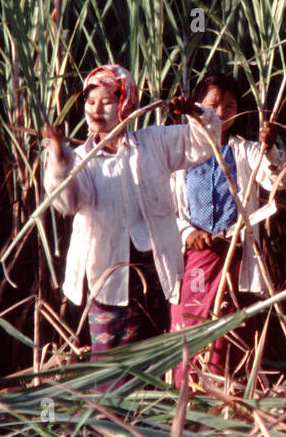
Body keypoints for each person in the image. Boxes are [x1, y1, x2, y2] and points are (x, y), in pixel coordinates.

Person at [40, 65, 221, 381]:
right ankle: (107, 426)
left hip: (151, 269)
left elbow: (203, 144)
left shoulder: (153, 143)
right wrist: (57, 155)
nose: (96, 109)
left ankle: (148, 427)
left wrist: (195, 112)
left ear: (126, 104)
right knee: (110, 365)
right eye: (91, 100)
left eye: (107, 100)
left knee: (151, 360)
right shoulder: (80, 157)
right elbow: (66, 203)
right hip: (105, 273)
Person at [168, 72, 286, 388]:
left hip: (234, 258)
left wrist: (271, 149)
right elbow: (163, 208)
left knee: (231, 331)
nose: (221, 112)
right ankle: (188, 403)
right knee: (190, 332)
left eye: (230, 105)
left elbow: (278, 181)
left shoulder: (246, 151)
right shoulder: (179, 152)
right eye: (213, 104)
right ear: (197, 107)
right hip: (194, 260)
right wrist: (187, 234)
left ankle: (229, 403)